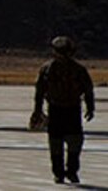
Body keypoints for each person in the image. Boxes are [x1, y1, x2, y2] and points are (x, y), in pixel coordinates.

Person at [33, 36, 95, 184]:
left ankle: (72, 171)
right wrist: (37, 110)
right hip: (55, 109)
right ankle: (58, 173)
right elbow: (39, 91)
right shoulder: (47, 70)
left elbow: (88, 89)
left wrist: (90, 107)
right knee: (55, 143)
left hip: (72, 109)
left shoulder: (79, 70)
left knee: (75, 142)